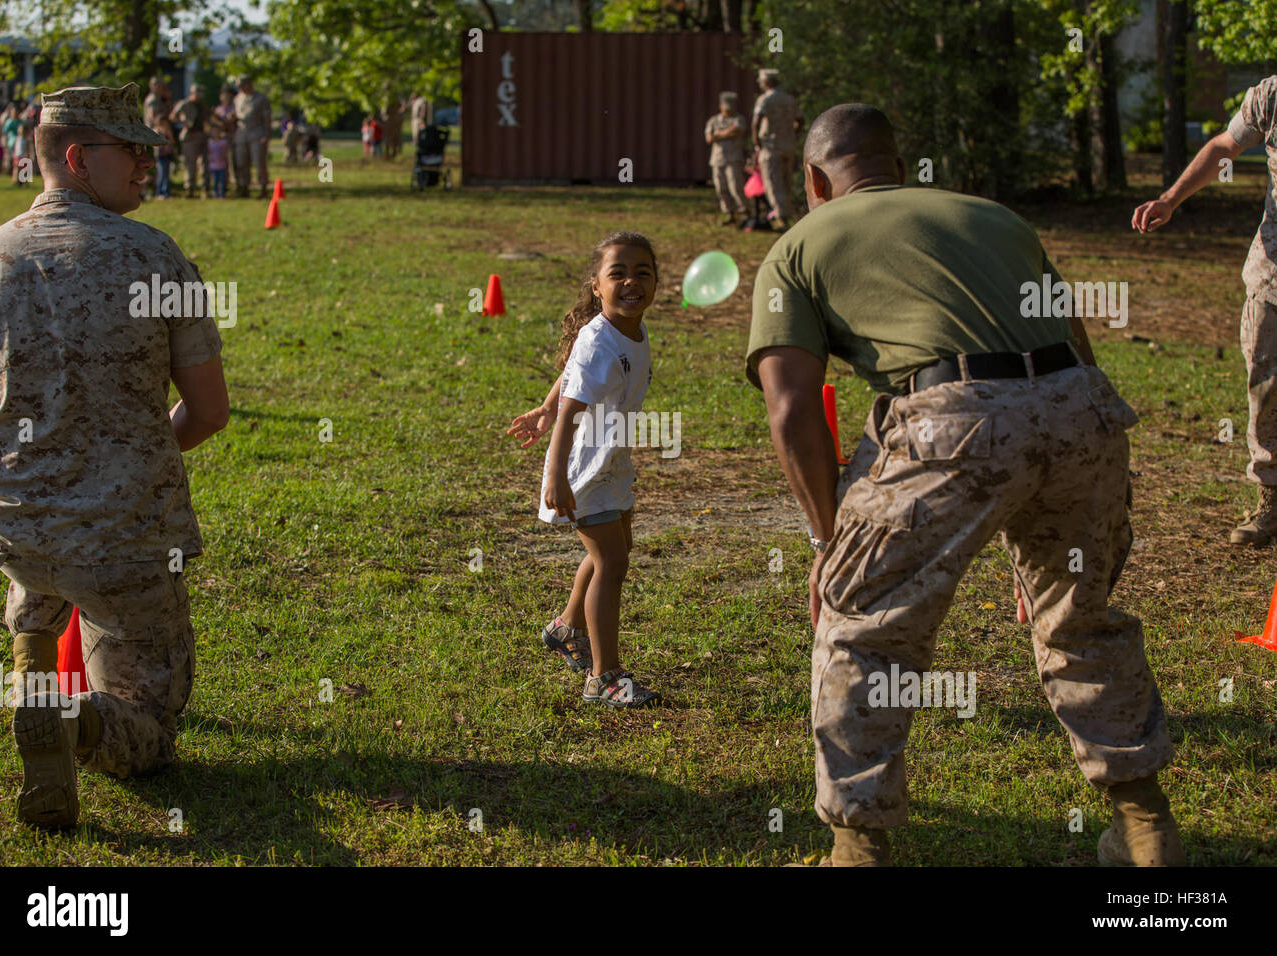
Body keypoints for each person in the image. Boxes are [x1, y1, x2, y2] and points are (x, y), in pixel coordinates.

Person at [746, 103, 1182, 866]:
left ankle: (856, 849)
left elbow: (790, 409)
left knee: (863, 630)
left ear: (814, 178)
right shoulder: (994, 217)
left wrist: (827, 542)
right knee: (1079, 618)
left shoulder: (798, 244)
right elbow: (1073, 344)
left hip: (953, 419)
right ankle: (1146, 830)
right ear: (896, 159)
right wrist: (1057, 505)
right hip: (1083, 414)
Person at [0, 83, 229, 829]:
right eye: (134, 154)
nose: (150, 167)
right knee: (150, 726)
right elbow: (210, 412)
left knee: (41, 561)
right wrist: (142, 454)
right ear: (80, 158)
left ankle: (33, 664)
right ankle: (78, 723)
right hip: (128, 534)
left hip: (14, 526)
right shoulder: (156, 257)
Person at [508, 232, 663, 709]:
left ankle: (565, 628)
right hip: (584, 467)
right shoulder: (601, 338)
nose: (631, 281)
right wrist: (555, 473)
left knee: (613, 554)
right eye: (618, 273)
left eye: (642, 272)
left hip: (612, 460)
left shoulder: (625, 329)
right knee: (613, 564)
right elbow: (575, 409)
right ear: (597, 286)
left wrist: (542, 406)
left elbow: (572, 372)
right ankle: (604, 678)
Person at [1132, 77, 1277, 546]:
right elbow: (1223, 146)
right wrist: (1171, 199)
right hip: (1273, 276)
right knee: (1266, 387)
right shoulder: (1272, 96)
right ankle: (1272, 501)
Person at [752, 69, 801, 231]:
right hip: (788, 145)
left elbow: (756, 122)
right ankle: (786, 213)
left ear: (766, 82)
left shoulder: (765, 99)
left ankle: (781, 217)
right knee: (787, 181)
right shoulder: (789, 99)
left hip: (771, 146)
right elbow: (800, 120)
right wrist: (793, 135)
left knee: (773, 182)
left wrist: (757, 143)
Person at [705, 91, 750, 226]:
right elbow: (709, 138)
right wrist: (727, 132)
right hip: (717, 159)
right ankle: (729, 213)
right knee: (721, 188)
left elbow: (737, 130)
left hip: (733, 159)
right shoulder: (714, 120)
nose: (728, 110)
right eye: (726, 107)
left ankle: (744, 213)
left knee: (736, 187)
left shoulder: (738, 119)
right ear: (720, 106)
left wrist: (718, 133)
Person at [232, 75, 271, 198]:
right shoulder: (238, 98)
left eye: (243, 85)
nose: (241, 88)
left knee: (259, 161)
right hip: (242, 133)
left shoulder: (261, 98)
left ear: (249, 84)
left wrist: (266, 135)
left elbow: (267, 118)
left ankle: (263, 187)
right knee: (241, 161)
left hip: (257, 132)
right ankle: (244, 187)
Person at [170, 83, 209, 198]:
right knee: (190, 163)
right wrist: (184, 123)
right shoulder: (184, 104)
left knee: (204, 163)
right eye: (198, 94)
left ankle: (205, 187)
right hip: (189, 136)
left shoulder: (202, 105)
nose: (200, 97)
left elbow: (210, 117)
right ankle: (190, 188)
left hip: (202, 135)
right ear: (192, 93)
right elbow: (173, 116)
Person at [207, 123, 229, 198]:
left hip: (222, 165)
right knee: (215, 181)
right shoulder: (209, 142)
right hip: (213, 166)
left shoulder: (223, 142)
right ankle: (215, 193)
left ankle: (222, 193)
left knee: (222, 180)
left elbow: (226, 152)